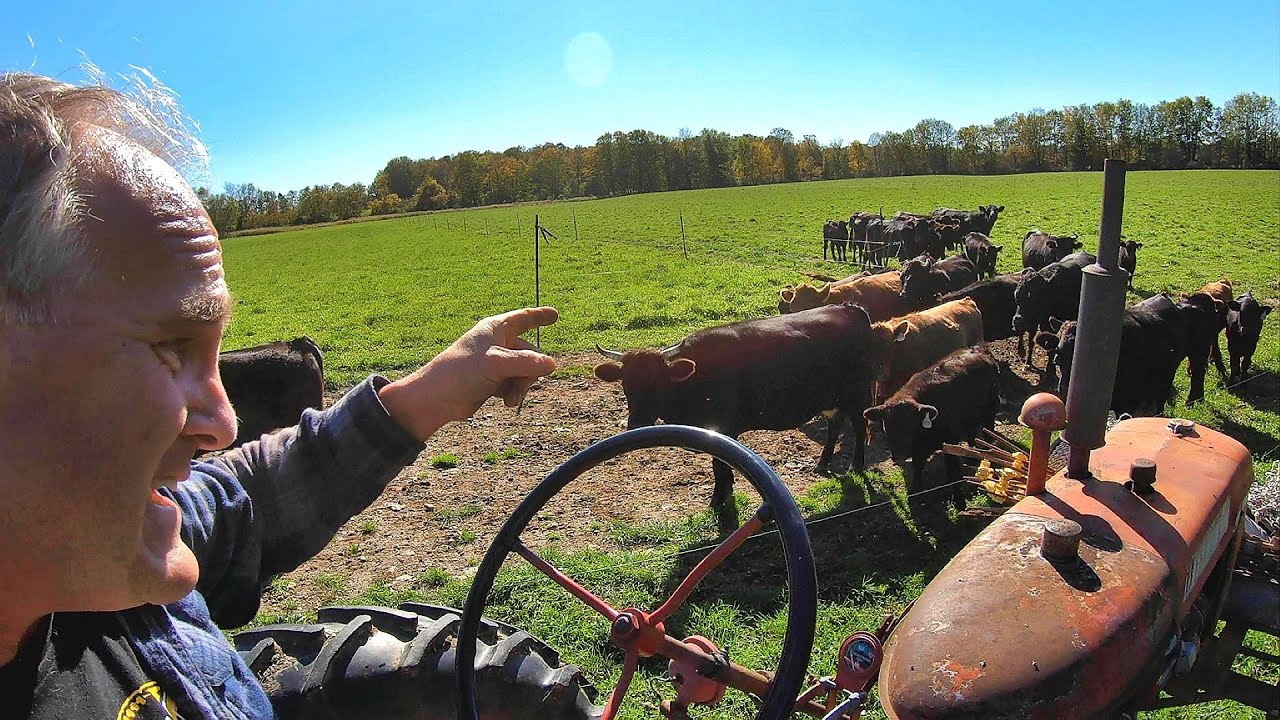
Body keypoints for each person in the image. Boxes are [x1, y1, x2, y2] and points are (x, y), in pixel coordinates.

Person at [0, 72, 559, 718]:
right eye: (170, 348)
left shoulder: (106, 568)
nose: (222, 421)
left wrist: (426, 395)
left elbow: (249, 501)